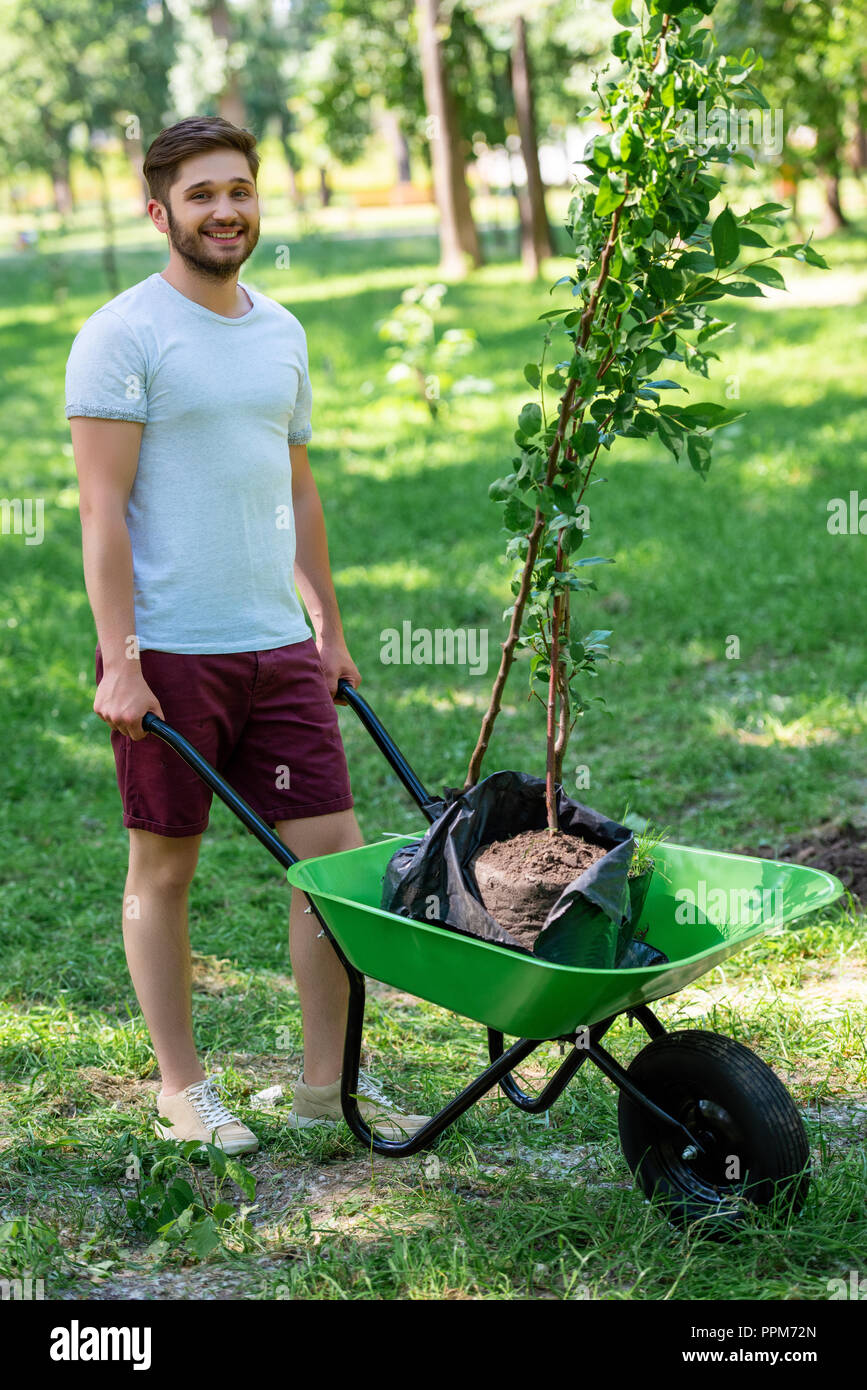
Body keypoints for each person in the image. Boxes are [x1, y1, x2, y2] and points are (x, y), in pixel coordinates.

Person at [65, 115, 428, 1153]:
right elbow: (101, 510)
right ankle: (182, 1086)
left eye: (238, 190)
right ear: (158, 212)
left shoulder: (282, 332)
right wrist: (124, 662)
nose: (225, 210)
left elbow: (297, 488)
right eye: (200, 195)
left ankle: (327, 1087)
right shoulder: (122, 334)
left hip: (277, 652)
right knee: (164, 870)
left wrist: (328, 622)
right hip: (170, 657)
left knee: (332, 871)